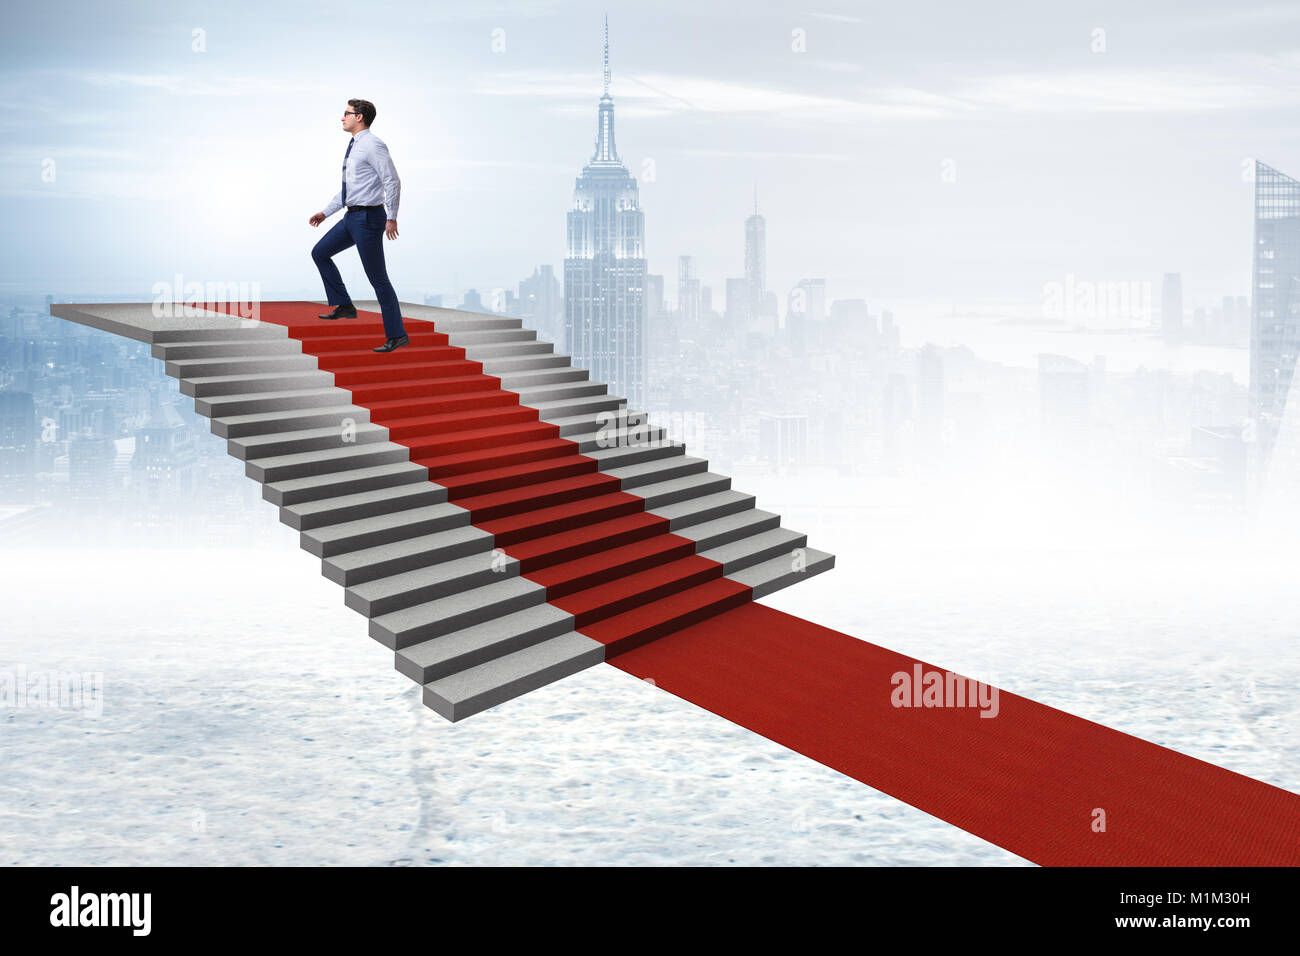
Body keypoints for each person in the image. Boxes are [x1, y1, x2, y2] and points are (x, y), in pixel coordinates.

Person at [308, 99, 409, 352]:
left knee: (378, 279)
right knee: (320, 253)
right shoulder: (354, 146)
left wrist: (391, 216)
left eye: (346, 113)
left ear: (360, 117)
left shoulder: (373, 145)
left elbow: (392, 181)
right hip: (350, 218)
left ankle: (397, 335)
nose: (342, 118)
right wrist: (326, 212)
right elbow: (349, 189)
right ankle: (344, 305)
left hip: (368, 219)